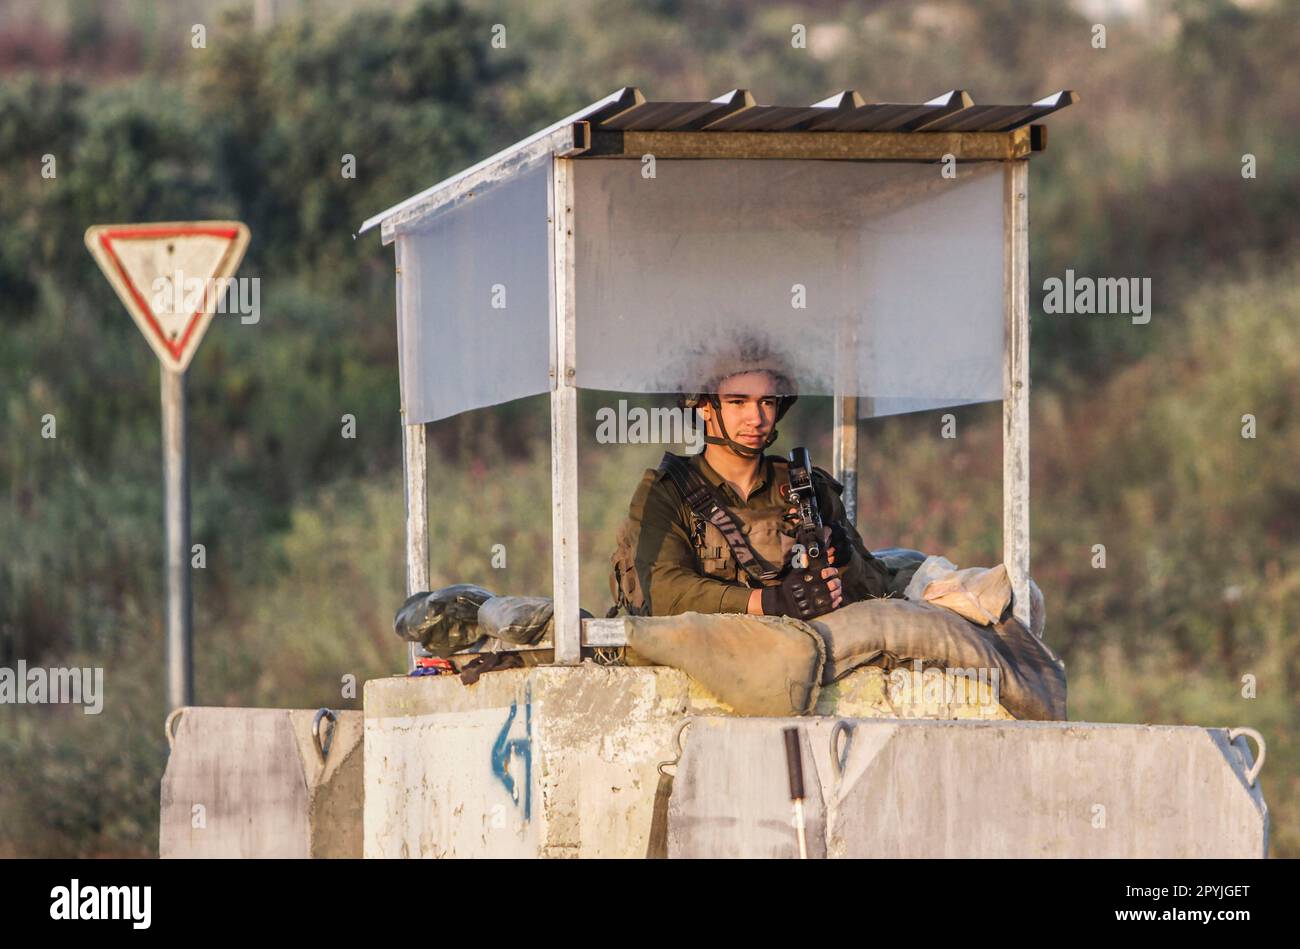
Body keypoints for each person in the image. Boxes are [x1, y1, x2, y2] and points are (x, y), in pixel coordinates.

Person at [609, 347, 893, 620]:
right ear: (705, 407)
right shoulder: (667, 491)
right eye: (738, 402)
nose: (756, 419)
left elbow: (881, 589)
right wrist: (770, 602)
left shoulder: (808, 489)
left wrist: (844, 560)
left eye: (767, 402)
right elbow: (663, 592)